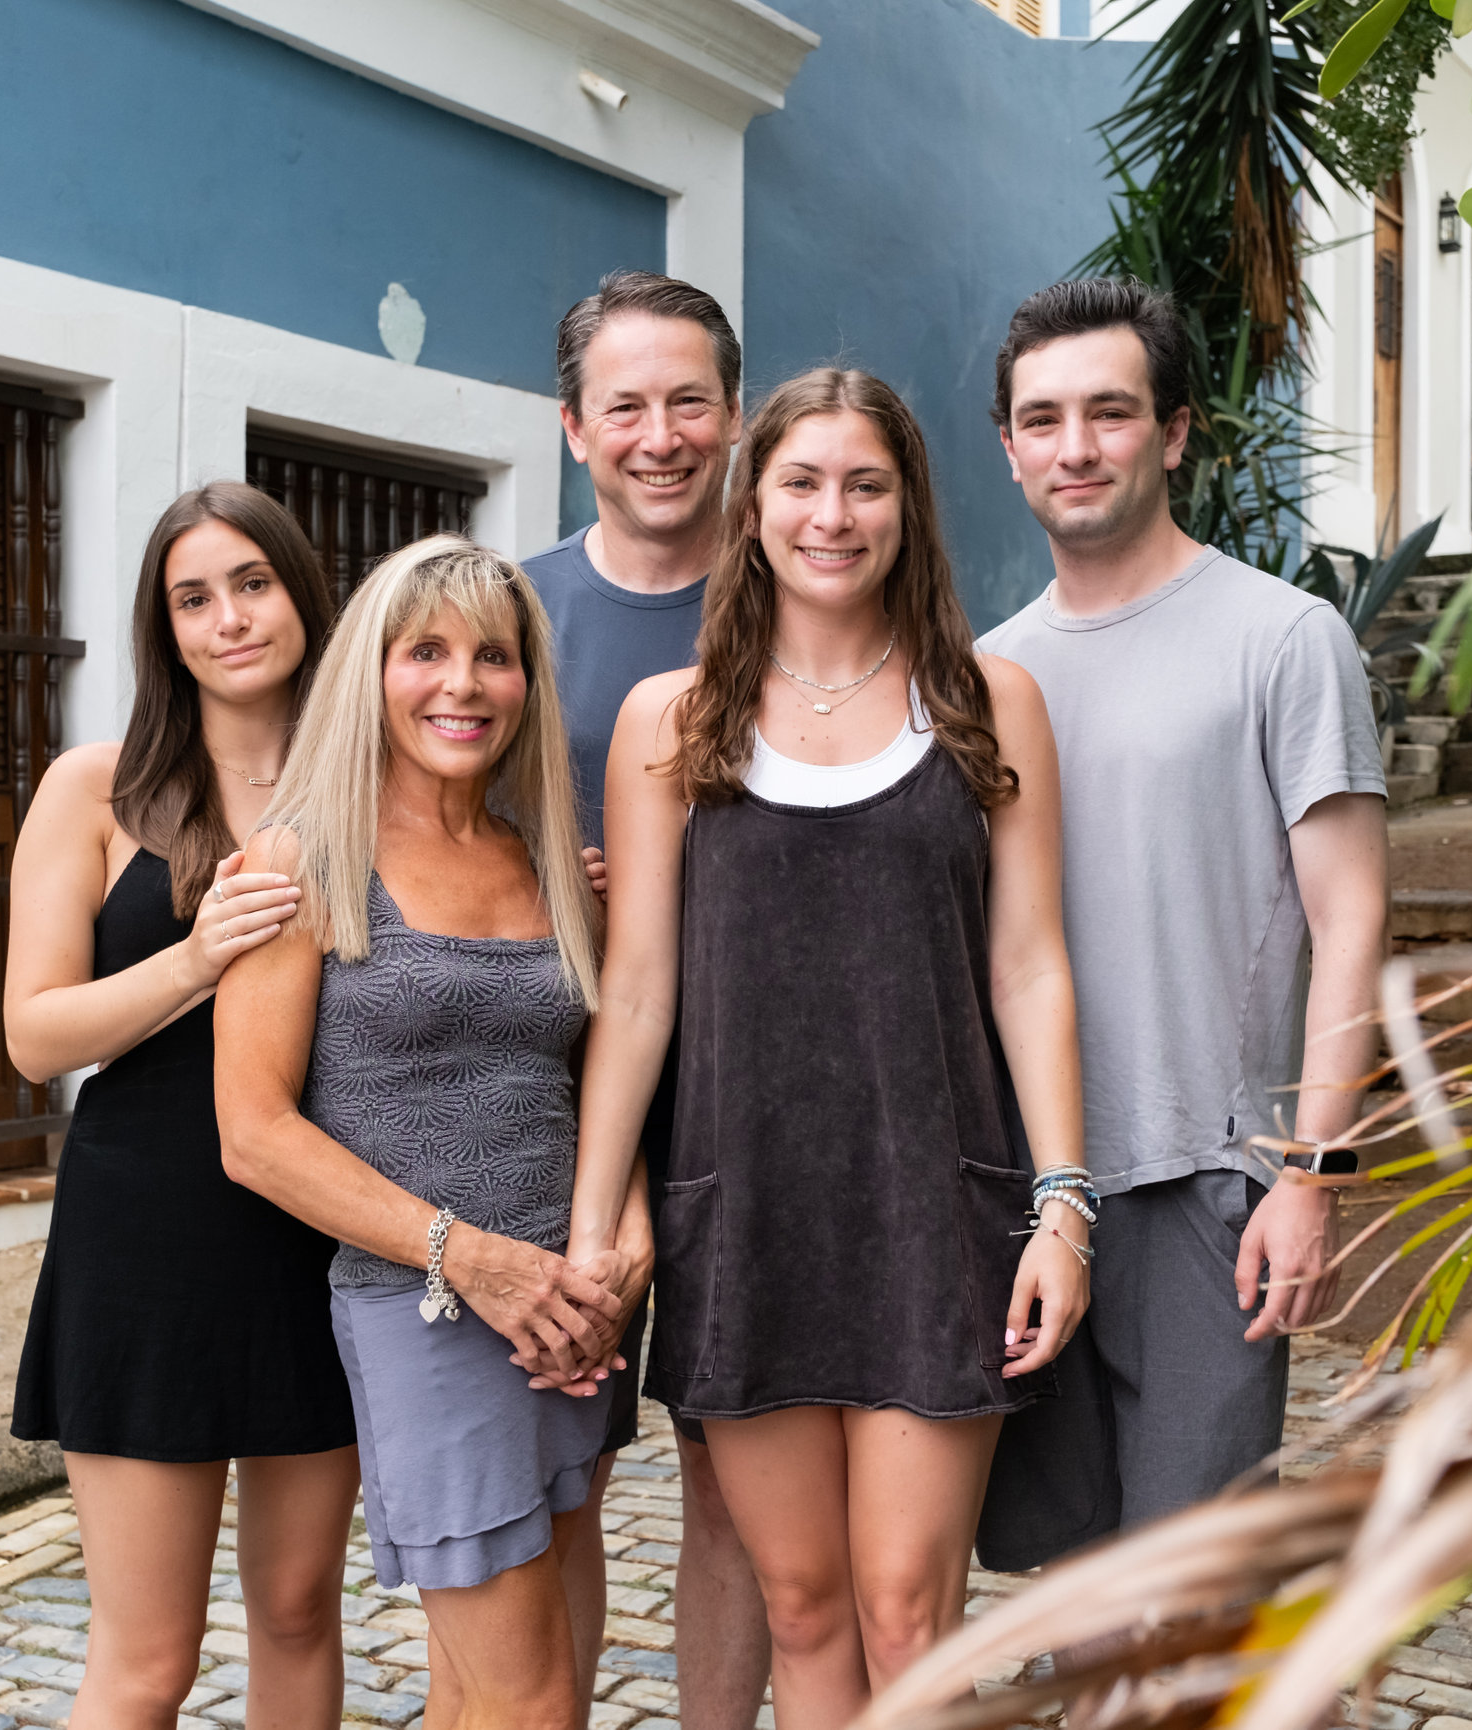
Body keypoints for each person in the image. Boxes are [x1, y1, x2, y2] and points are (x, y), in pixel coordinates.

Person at [565, 367, 1091, 1729]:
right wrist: (593, 1227)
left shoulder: (989, 701)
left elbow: (1029, 967)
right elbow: (637, 994)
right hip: (746, 1219)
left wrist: (1061, 1206)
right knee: (799, 1604)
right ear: (753, 507)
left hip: (935, 1213)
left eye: (865, 484)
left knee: (906, 1613)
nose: (832, 515)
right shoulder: (670, 719)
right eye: (801, 482)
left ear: (908, 508)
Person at [970, 278, 1390, 1570]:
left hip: (1203, 1182)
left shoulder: (1284, 637)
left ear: (1174, 431)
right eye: (1042, 419)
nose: (1075, 446)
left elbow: (1352, 916)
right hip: (1026, 1183)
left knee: (1187, 1588)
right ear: (1006, 446)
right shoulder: (983, 671)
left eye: (1109, 411)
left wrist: (1309, 1175)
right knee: (1067, 1577)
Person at [215, 535, 626, 1730]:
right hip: (430, 1307)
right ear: (372, 671)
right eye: (426, 651)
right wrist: (474, 1258)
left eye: (494, 656)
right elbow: (253, 1130)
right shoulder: (303, 854)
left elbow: (598, 1078)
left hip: (567, 1308)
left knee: (502, 1686)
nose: (463, 682)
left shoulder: (550, 861)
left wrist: (621, 1245)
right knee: (531, 1700)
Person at [6, 482, 359, 1730]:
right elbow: (34, 1033)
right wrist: (195, 957)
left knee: (301, 1609)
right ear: (165, 629)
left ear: (303, 594)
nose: (230, 619)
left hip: (318, 1229)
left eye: (253, 583)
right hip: (145, 1240)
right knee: (148, 1659)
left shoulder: (372, 790)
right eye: (193, 598)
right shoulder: (98, 789)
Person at [523, 268, 773, 1730]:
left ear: (734, 414)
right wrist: (546, 876)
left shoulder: (806, 588)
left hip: (754, 1090)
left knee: (734, 1472)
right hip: (553, 1096)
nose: (660, 435)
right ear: (573, 427)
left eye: (689, 401)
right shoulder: (515, 614)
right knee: (560, 1469)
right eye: (625, 406)